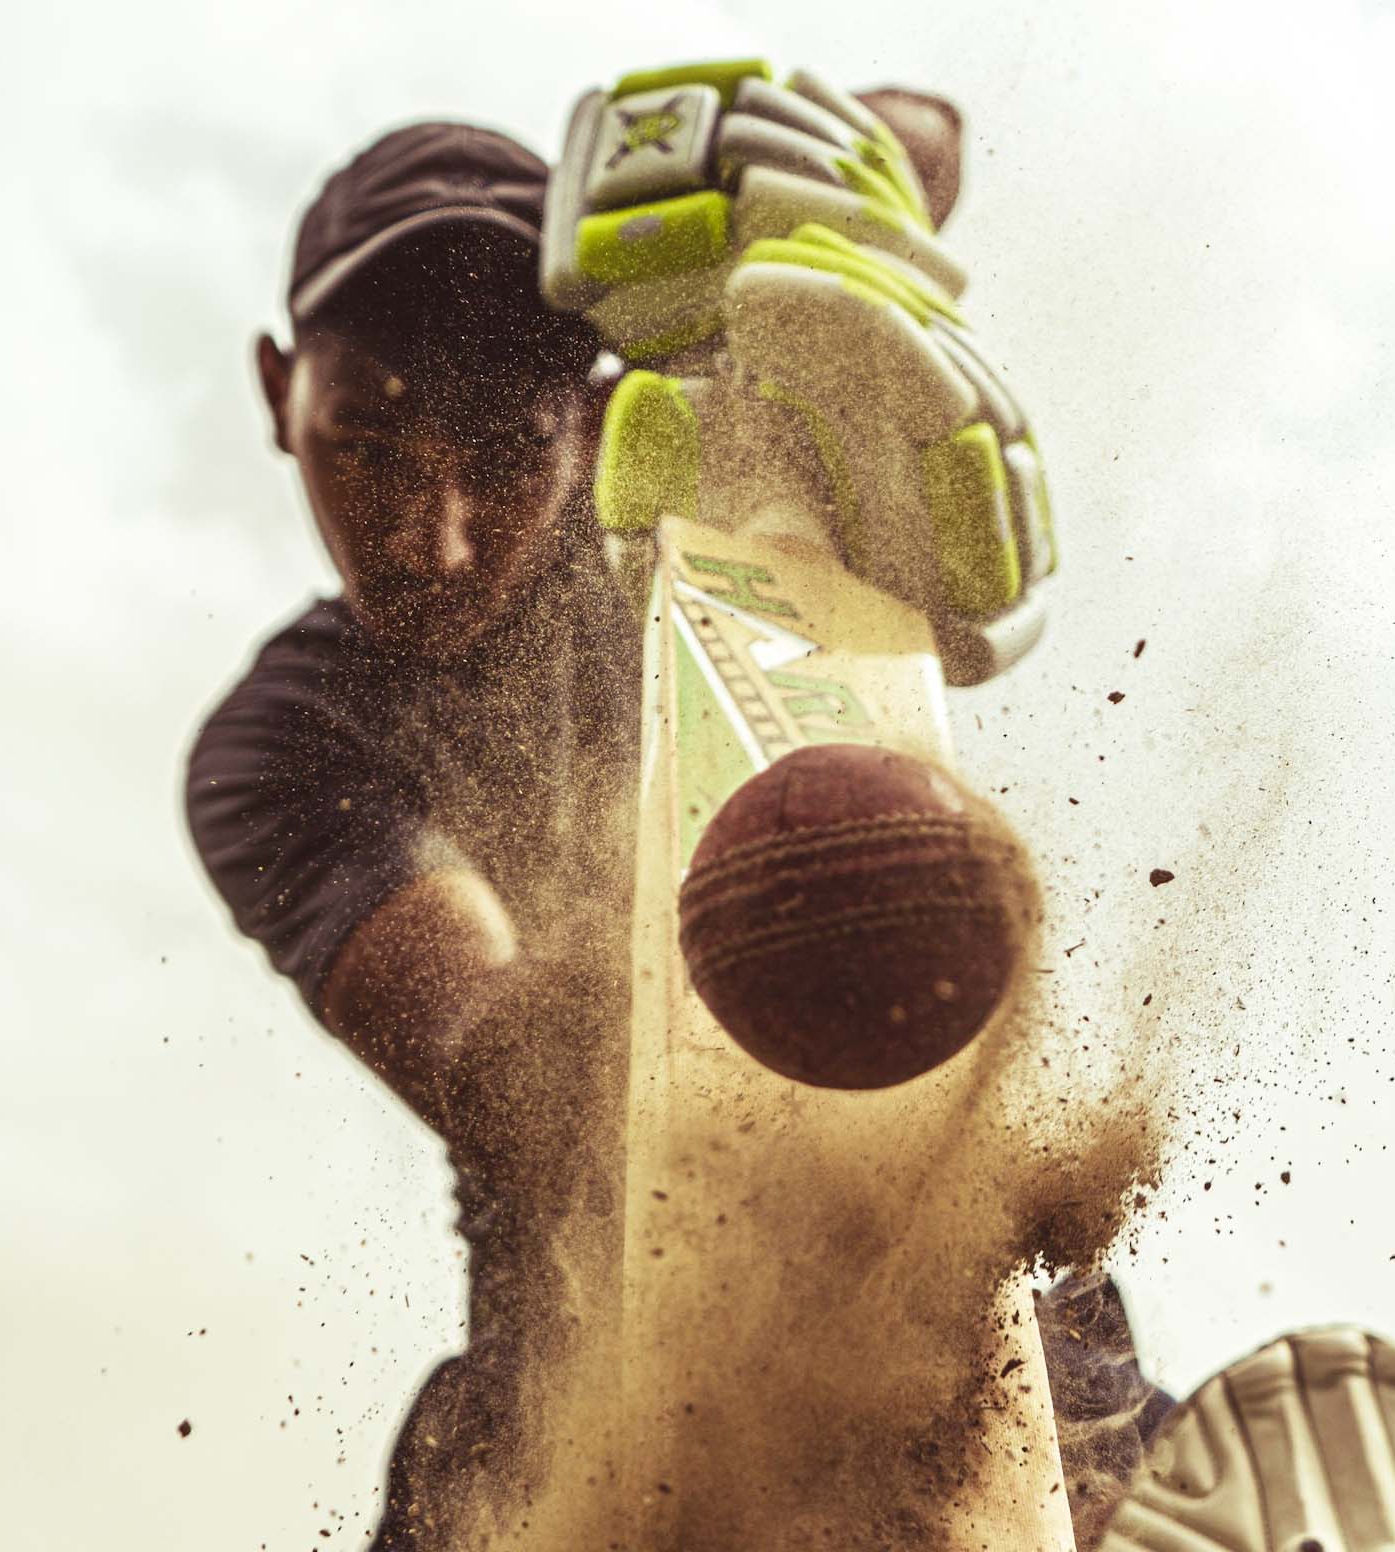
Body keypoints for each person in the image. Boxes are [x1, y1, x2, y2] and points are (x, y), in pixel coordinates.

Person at [185, 96, 1172, 1550]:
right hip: (592, 1346)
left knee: (1084, 1387)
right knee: (477, 1458)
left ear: (589, 417)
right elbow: (500, 1057)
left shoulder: (719, 526)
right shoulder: (285, 742)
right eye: (368, 445)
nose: (433, 532)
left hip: (976, 1312)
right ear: (279, 388)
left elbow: (929, 133)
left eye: (504, 455)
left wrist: (806, 192)